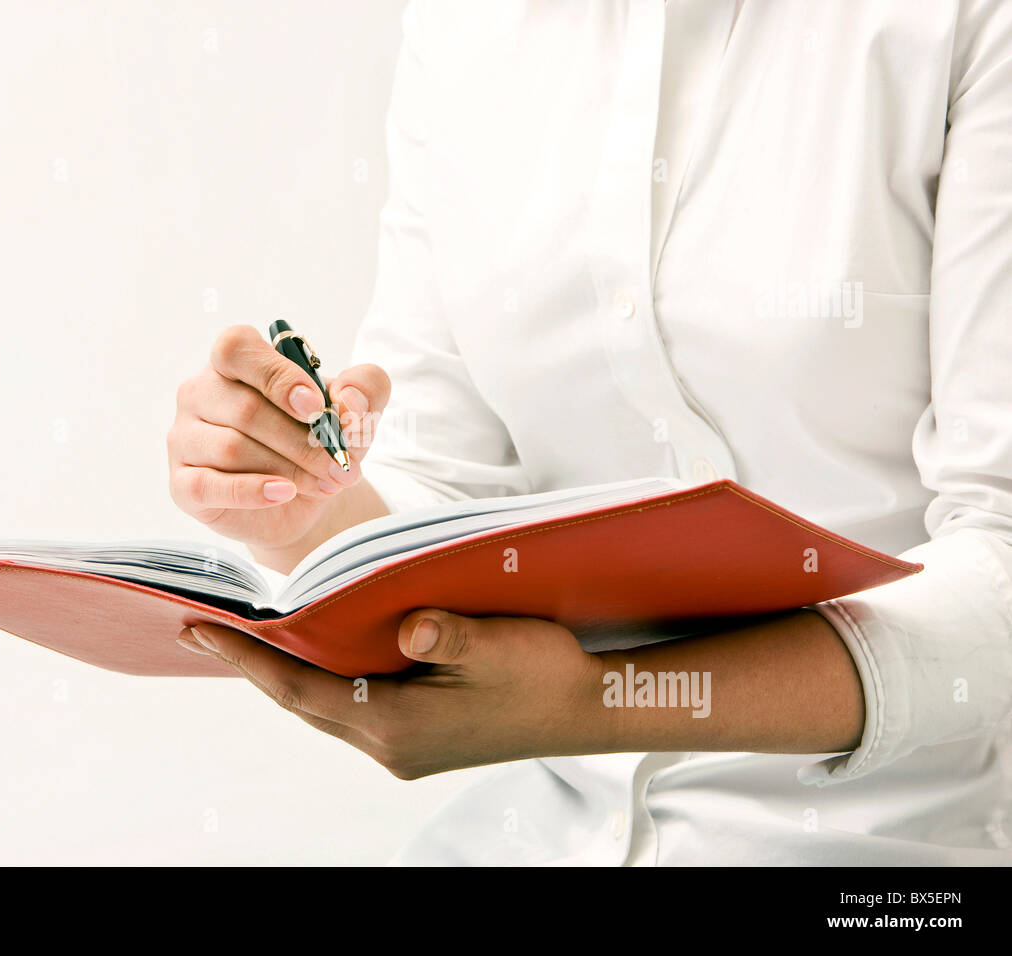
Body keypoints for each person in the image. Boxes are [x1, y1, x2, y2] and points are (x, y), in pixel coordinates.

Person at [165, 0, 1012, 864]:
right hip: (547, 833)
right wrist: (305, 508)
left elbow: (1003, 558)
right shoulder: (462, 31)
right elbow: (448, 481)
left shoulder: (959, 23)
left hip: (900, 858)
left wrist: (604, 702)